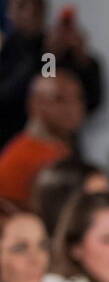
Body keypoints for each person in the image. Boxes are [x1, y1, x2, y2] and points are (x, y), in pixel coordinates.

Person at [0, 0, 104, 149]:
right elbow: (17, 97)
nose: (30, 12)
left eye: (36, 5)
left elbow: (93, 100)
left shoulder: (57, 47)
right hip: (14, 146)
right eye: (21, 5)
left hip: (62, 149)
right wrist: (48, 56)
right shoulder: (7, 52)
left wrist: (82, 59)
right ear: (8, 11)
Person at [0, 73, 85, 207]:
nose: (72, 107)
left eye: (78, 98)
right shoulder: (23, 157)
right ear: (36, 104)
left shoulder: (62, 149)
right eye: (59, 99)